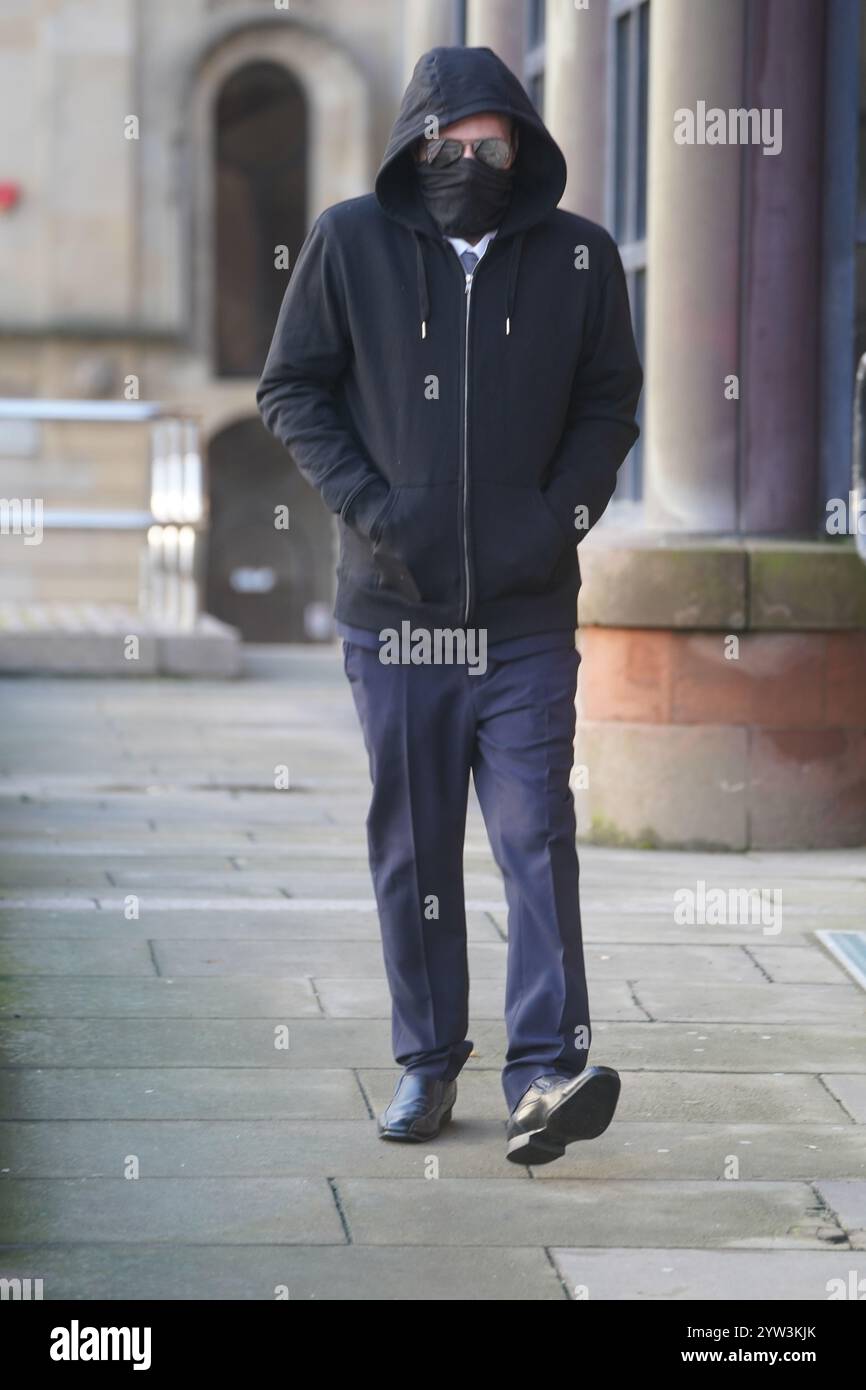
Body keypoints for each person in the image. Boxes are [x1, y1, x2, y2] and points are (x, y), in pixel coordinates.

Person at [257, 45, 643, 1165]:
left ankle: (546, 1073)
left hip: (525, 616)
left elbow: (609, 405)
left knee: (536, 834)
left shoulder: (578, 257)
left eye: (494, 145)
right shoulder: (348, 242)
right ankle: (428, 1062)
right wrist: (376, 510)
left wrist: (555, 521)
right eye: (452, 143)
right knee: (415, 846)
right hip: (396, 613)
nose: (473, 162)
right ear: (415, 144)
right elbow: (292, 388)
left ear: (521, 146)